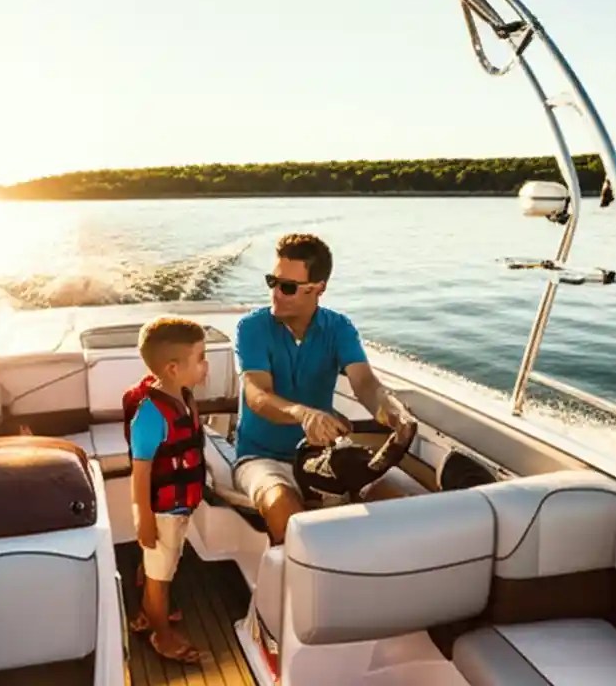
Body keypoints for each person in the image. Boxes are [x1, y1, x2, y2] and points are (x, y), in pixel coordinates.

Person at [232, 233, 418, 545]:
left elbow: (365, 384)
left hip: (325, 456)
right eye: (272, 281)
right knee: (286, 512)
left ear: (318, 288)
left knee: (404, 504)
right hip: (260, 458)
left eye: (287, 287)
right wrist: (303, 414)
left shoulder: (339, 327)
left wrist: (392, 410)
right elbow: (257, 395)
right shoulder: (250, 328)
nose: (275, 293)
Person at [124, 316, 210, 664]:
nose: (206, 365)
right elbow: (140, 473)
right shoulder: (150, 415)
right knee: (160, 578)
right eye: (201, 358)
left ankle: (148, 613)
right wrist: (144, 519)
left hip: (179, 508)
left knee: (163, 568)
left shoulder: (184, 397)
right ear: (173, 369)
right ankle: (162, 635)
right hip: (161, 513)